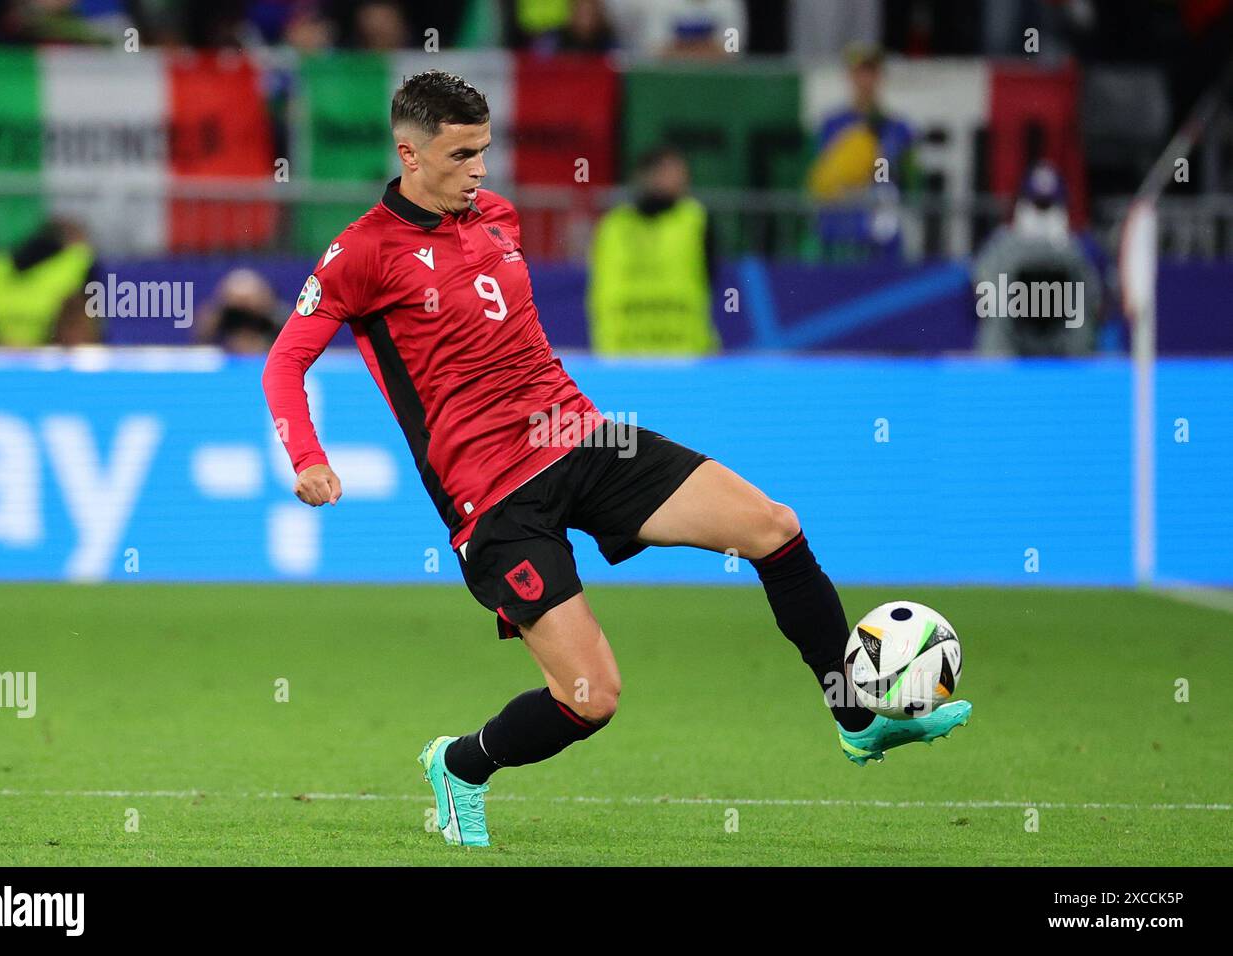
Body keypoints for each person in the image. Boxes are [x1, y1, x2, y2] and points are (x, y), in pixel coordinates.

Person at [261, 70, 971, 848]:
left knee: (773, 527)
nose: (480, 170)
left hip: (584, 438)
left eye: (485, 151)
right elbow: (284, 363)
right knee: (591, 697)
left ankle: (855, 715)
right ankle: (461, 765)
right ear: (410, 152)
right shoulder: (360, 252)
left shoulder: (496, 217)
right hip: (494, 497)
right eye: (463, 155)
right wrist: (307, 457)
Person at [586, 144, 719, 356]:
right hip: (622, 353)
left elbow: (711, 279)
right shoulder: (613, 226)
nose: (678, 181)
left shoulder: (695, 221)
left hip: (684, 353)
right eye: (667, 172)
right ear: (643, 175)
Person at [972, 162, 1104, 356]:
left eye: (1048, 205)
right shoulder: (1000, 245)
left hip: (1065, 346)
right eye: (1037, 205)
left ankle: (1078, 373)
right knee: (993, 314)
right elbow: (982, 294)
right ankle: (996, 376)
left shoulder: (1081, 247)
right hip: (1011, 345)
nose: (1041, 213)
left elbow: (1097, 303)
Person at [806, 43, 916, 261]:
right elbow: (820, 181)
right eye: (860, 72)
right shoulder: (831, 125)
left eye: (871, 72)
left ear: (880, 77)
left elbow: (910, 182)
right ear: (850, 76)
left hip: (884, 230)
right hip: (839, 226)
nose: (865, 80)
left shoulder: (898, 128)